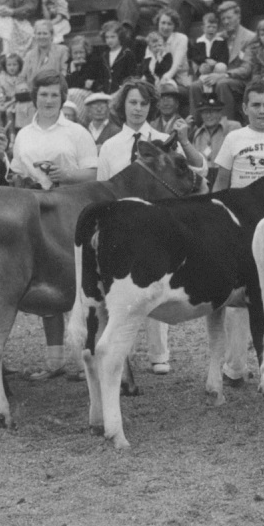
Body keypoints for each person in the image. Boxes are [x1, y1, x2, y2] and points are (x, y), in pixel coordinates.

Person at [95, 78, 205, 376]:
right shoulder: (110, 146)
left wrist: (182, 139)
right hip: (119, 226)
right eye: (132, 102)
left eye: (144, 104)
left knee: (155, 288)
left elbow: (199, 170)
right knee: (119, 292)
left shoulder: (164, 138)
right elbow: (102, 186)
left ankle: (159, 354)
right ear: (122, 106)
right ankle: (122, 355)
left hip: (156, 223)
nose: (138, 109)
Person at [211, 79, 264, 383]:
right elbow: (221, 182)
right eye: (256, 105)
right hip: (239, 225)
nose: (262, 111)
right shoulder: (234, 138)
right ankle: (235, 366)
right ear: (245, 108)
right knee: (237, 298)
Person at [190, 92, 239, 185]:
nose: (208, 116)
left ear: (219, 112)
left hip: (226, 178)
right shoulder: (197, 133)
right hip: (204, 180)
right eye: (204, 112)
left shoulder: (233, 127)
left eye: (212, 111)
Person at [22, 19, 69, 87]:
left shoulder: (62, 50)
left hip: (55, 89)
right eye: (39, 33)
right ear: (35, 35)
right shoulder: (29, 55)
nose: (41, 37)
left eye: (45, 33)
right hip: (34, 91)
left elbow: (65, 72)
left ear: (51, 35)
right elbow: (23, 77)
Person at [95, 21, 138, 94]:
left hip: (122, 92)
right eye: (107, 37)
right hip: (106, 93)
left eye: (113, 37)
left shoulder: (127, 54)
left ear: (120, 37)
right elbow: (101, 77)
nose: (109, 40)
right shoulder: (104, 55)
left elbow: (131, 76)